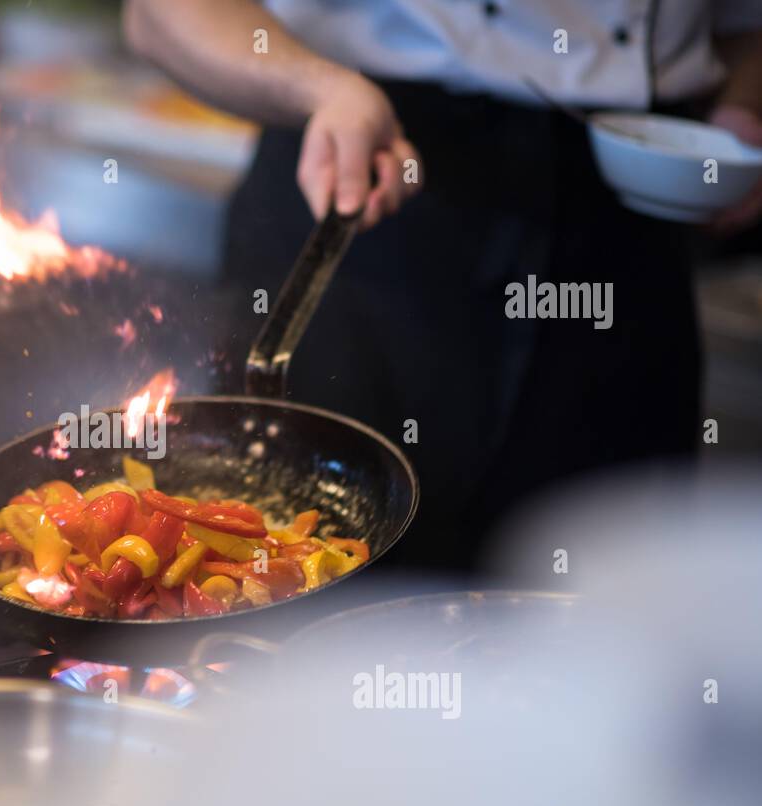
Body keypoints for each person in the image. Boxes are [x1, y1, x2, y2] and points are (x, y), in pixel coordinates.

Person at [123, 0, 762, 571]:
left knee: (608, 616)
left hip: (625, 238)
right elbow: (161, 13)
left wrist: (745, 110)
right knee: (302, 605)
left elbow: (741, 29)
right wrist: (325, 93)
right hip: (365, 177)